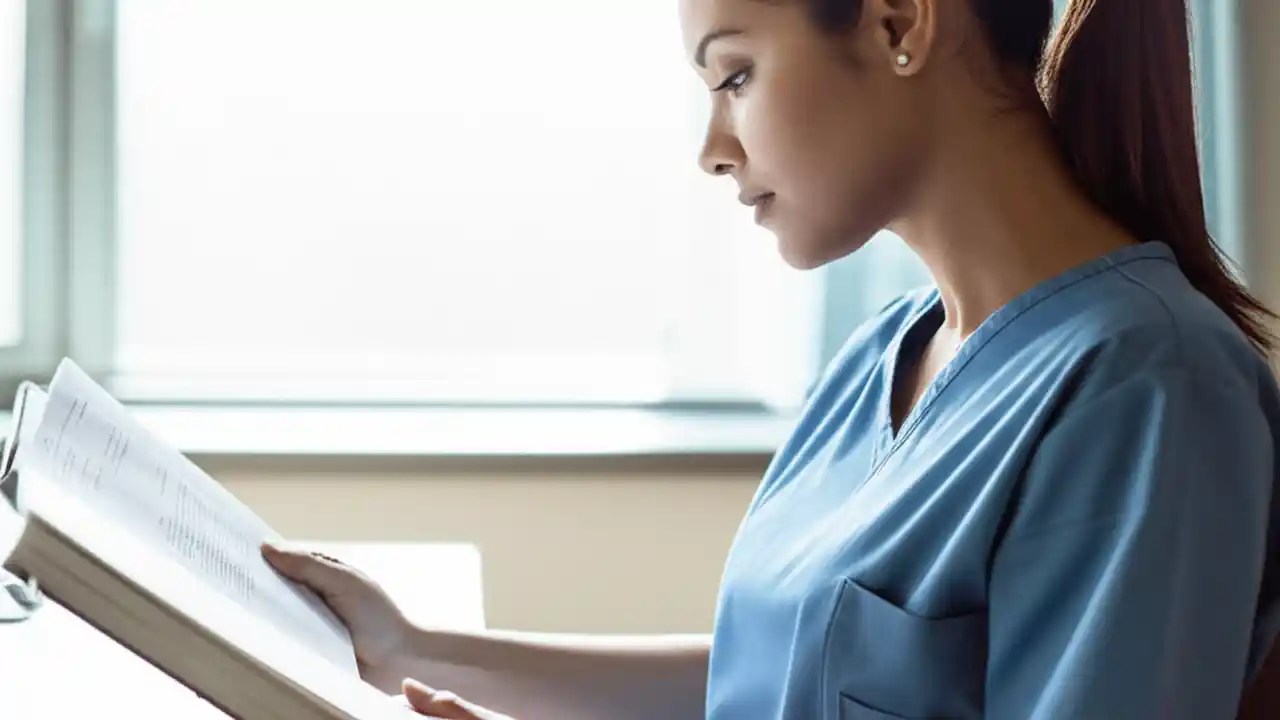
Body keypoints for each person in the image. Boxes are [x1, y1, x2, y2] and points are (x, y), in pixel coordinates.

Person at [263, 0, 1280, 717]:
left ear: (896, 22)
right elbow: (781, 680)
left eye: (734, 74)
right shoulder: (883, 357)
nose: (711, 144)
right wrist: (415, 651)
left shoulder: (1147, 388)